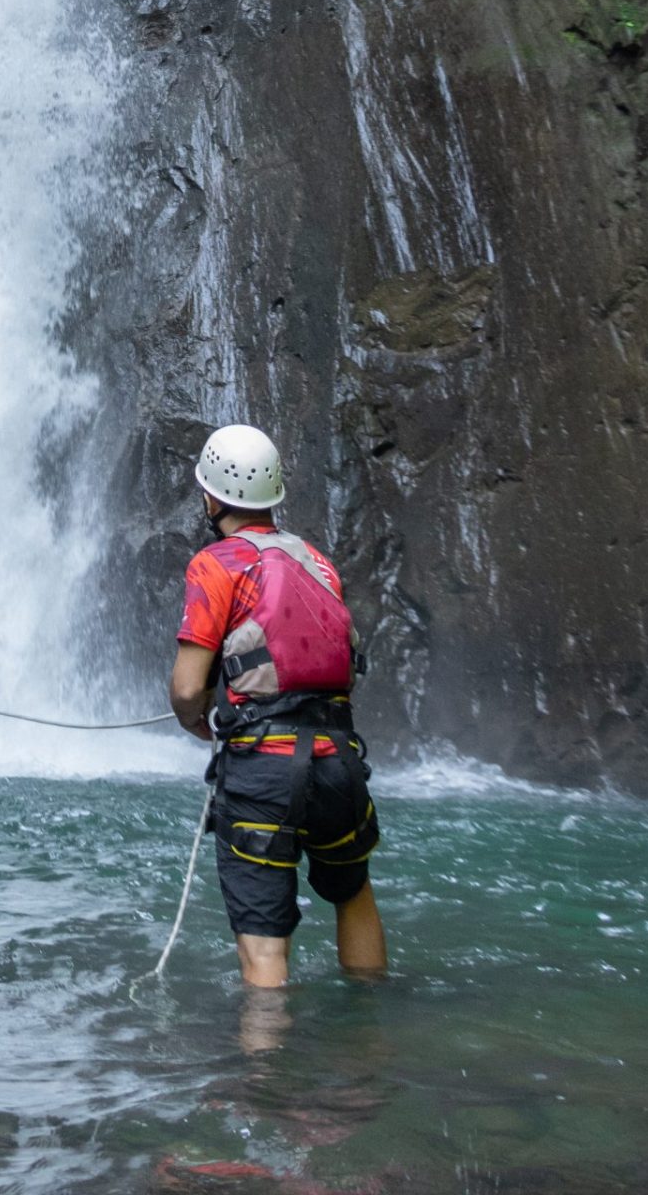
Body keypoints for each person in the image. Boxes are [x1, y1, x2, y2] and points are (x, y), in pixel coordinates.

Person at [169, 423, 388, 989]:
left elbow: (190, 687)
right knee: (353, 893)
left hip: (264, 769)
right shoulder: (318, 562)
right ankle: (367, 1037)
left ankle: (268, 1076)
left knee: (265, 951)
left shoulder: (215, 565)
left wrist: (197, 720)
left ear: (211, 497)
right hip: (337, 760)